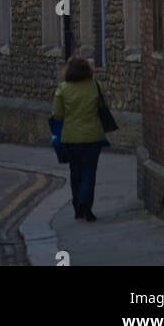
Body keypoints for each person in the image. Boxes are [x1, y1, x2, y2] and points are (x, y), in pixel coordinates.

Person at [51, 55, 107, 221]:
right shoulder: (96, 86)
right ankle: (87, 206)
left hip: (71, 137)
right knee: (90, 171)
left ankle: (77, 208)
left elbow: (58, 114)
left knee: (75, 172)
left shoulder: (62, 89)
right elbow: (103, 107)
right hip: (92, 136)